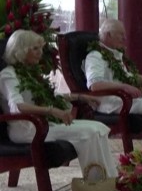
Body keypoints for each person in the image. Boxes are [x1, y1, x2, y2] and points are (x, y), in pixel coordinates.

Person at [0, 30, 117, 177]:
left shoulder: (31, 72)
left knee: (99, 127)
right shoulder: (8, 74)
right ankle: (95, 183)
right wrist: (52, 111)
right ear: (20, 51)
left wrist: (80, 97)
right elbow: (17, 107)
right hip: (27, 130)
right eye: (35, 49)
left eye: (40, 48)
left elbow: (51, 96)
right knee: (90, 132)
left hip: (43, 124)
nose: (40, 52)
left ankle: (109, 180)